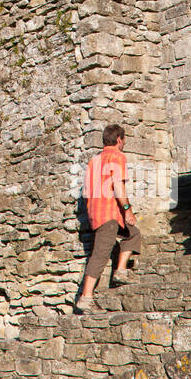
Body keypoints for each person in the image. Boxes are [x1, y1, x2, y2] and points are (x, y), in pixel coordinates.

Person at [75, 123, 142, 313]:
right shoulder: (117, 156)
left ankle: (120, 271)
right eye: (124, 140)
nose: (124, 143)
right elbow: (118, 187)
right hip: (109, 213)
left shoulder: (94, 161)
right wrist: (127, 210)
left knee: (133, 234)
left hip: (96, 212)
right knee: (100, 254)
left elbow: (86, 191)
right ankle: (86, 298)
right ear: (119, 139)